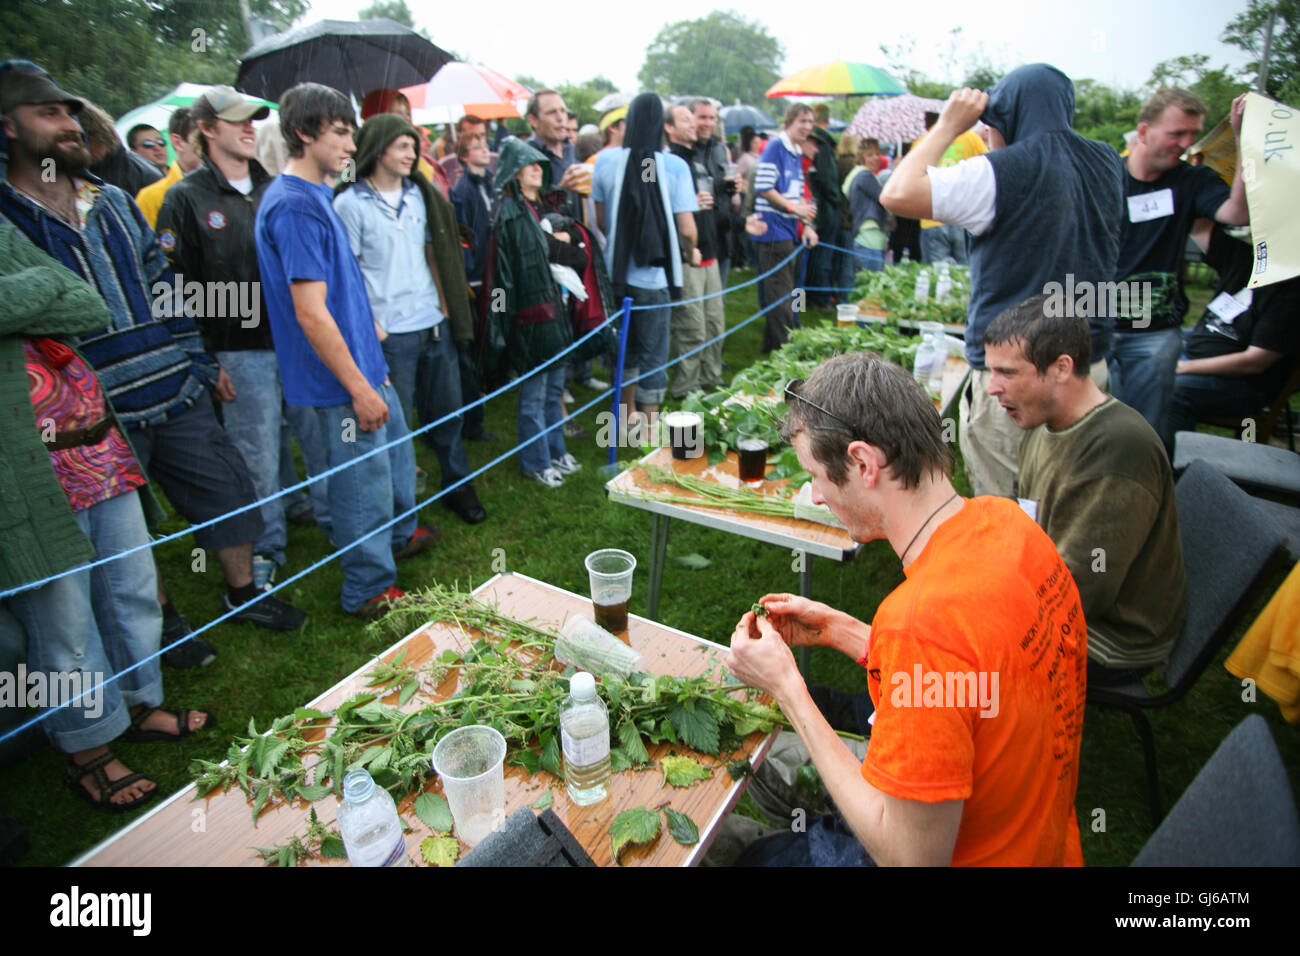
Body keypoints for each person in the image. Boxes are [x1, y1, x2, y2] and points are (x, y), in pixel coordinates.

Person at [724, 351, 1087, 866]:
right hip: (1045, 844)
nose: (817, 496)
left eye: (816, 476)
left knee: (738, 855)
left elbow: (910, 858)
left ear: (863, 464)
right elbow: (979, 676)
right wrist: (844, 630)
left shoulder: (921, 623)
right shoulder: (1012, 527)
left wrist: (787, 689)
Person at [0, 62, 306, 655]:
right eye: (48, 113)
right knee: (129, 530)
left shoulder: (111, 199)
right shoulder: (7, 219)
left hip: (172, 384)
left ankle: (242, 592)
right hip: (86, 407)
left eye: (69, 112)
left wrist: (194, 362)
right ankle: (165, 623)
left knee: (228, 490)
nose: (68, 124)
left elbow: (167, 286)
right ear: (7, 128)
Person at [0, 223, 214, 811]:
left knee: (131, 586)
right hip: (26, 469)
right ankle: (89, 750)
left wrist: (32, 294)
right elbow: (56, 293)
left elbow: (86, 302)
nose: (67, 123)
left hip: (96, 445)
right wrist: (42, 289)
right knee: (62, 619)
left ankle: (140, 703)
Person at [881, 63, 1125, 498]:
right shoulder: (1106, 162)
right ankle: (1063, 565)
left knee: (1008, 503)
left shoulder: (1002, 171)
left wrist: (948, 127)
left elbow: (897, 192)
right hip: (1088, 363)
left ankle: (1019, 567)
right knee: (1068, 492)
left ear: (1004, 118)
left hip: (1018, 370)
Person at [254, 82, 435, 619]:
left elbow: (332, 287)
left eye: (353, 132)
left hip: (365, 361)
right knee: (362, 486)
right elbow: (309, 310)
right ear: (304, 133)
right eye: (339, 132)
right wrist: (357, 386)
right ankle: (367, 588)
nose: (351, 145)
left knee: (395, 466)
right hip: (340, 382)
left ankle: (397, 540)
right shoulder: (294, 207)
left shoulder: (315, 196)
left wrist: (367, 326)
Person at [983, 295, 1186, 683]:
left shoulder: (1117, 450)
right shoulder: (1044, 423)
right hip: (1055, 593)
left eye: (1006, 372)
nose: (992, 387)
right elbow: (1027, 525)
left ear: (1061, 368)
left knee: (957, 642)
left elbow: (1078, 592)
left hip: (1112, 638)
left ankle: (869, 721)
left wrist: (984, 607)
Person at [155, 86, 301, 589]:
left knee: (289, 438)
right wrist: (202, 359)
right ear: (207, 129)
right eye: (237, 120)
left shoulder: (273, 187)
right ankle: (265, 549)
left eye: (254, 120)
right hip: (236, 350)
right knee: (254, 451)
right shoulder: (183, 197)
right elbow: (172, 289)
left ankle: (294, 508)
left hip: (292, 340)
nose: (249, 128)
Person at [333, 113, 486, 525]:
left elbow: (434, 253)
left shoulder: (422, 196)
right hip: (387, 334)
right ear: (378, 148)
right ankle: (402, 512)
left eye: (413, 147)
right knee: (394, 430)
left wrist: (446, 305)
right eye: (402, 146)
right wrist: (370, 326)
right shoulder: (348, 204)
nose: (411, 155)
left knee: (448, 412)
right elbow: (346, 274)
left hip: (431, 323)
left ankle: (457, 487)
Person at [1110, 88, 1250, 439]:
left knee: (1144, 434)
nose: (1186, 144)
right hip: (1095, 324)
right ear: (1143, 133)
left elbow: (1236, 212)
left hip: (1154, 334)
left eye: (1192, 134)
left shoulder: (1192, 180)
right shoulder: (1106, 175)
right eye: (1177, 134)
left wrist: (1243, 140)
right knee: (1088, 431)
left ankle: (1146, 493)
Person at [592, 92, 698, 433]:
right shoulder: (675, 166)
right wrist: (689, 249)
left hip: (617, 276)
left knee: (625, 348)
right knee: (654, 353)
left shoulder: (606, 162)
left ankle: (625, 418)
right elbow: (687, 228)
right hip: (657, 278)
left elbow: (602, 220)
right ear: (661, 127)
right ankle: (649, 431)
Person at [481, 138, 584, 487]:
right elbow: (501, 277)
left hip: (555, 309)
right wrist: (503, 324)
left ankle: (555, 452)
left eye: (540, 163)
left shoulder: (540, 208)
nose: (538, 168)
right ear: (513, 171)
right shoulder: (509, 213)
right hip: (529, 316)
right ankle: (535, 461)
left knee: (554, 389)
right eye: (529, 164)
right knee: (534, 395)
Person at [1168, 221, 1300, 444]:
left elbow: (1254, 362)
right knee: (1134, 348)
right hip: (1195, 348)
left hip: (1241, 383)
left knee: (1166, 388)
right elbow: (1199, 227)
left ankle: (1173, 469)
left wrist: (1182, 368)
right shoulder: (1246, 259)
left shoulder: (1290, 293)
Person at [665, 105, 724, 398]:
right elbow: (667, 210)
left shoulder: (699, 157)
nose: (692, 124)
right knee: (692, 327)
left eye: (693, 118)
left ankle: (711, 377)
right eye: (685, 120)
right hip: (689, 256)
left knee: (715, 322)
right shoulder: (667, 161)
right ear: (669, 128)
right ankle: (686, 387)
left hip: (710, 251)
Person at [753, 103, 819, 354]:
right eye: (802, 121)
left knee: (789, 292)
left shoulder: (794, 152)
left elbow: (800, 196)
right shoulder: (775, 147)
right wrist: (794, 210)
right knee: (782, 296)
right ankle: (785, 351)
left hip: (790, 230)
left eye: (810, 122)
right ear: (789, 120)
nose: (807, 127)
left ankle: (770, 349)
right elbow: (764, 186)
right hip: (772, 231)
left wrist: (807, 227)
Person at [912, 110, 986, 265]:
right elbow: (988, 168)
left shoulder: (921, 142)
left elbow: (911, 182)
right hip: (964, 218)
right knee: (966, 276)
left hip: (931, 218)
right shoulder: (971, 138)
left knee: (938, 279)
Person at [75, 99, 162, 195]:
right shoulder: (61, 164)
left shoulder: (144, 175)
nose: (80, 149)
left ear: (98, 138)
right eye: (148, 144)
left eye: (161, 142)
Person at [135, 107, 202, 228]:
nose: (157, 147)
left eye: (161, 142)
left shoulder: (233, 184)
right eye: (202, 139)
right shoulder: (150, 197)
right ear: (178, 142)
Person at [805, 104, 841, 308]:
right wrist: (837, 200)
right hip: (815, 214)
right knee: (811, 263)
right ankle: (813, 301)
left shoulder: (811, 156)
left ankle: (797, 312)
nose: (816, 150)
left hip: (810, 214)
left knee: (805, 265)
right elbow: (827, 181)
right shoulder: (821, 148)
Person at [845, 137, 888, 272]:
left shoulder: (858, 175)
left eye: (877, 153)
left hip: (865, 238)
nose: (875, 158)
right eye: (870, 155)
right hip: (869, 238)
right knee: (872, 285)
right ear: (861, 157)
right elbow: (885, 198)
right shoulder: (865, 176)